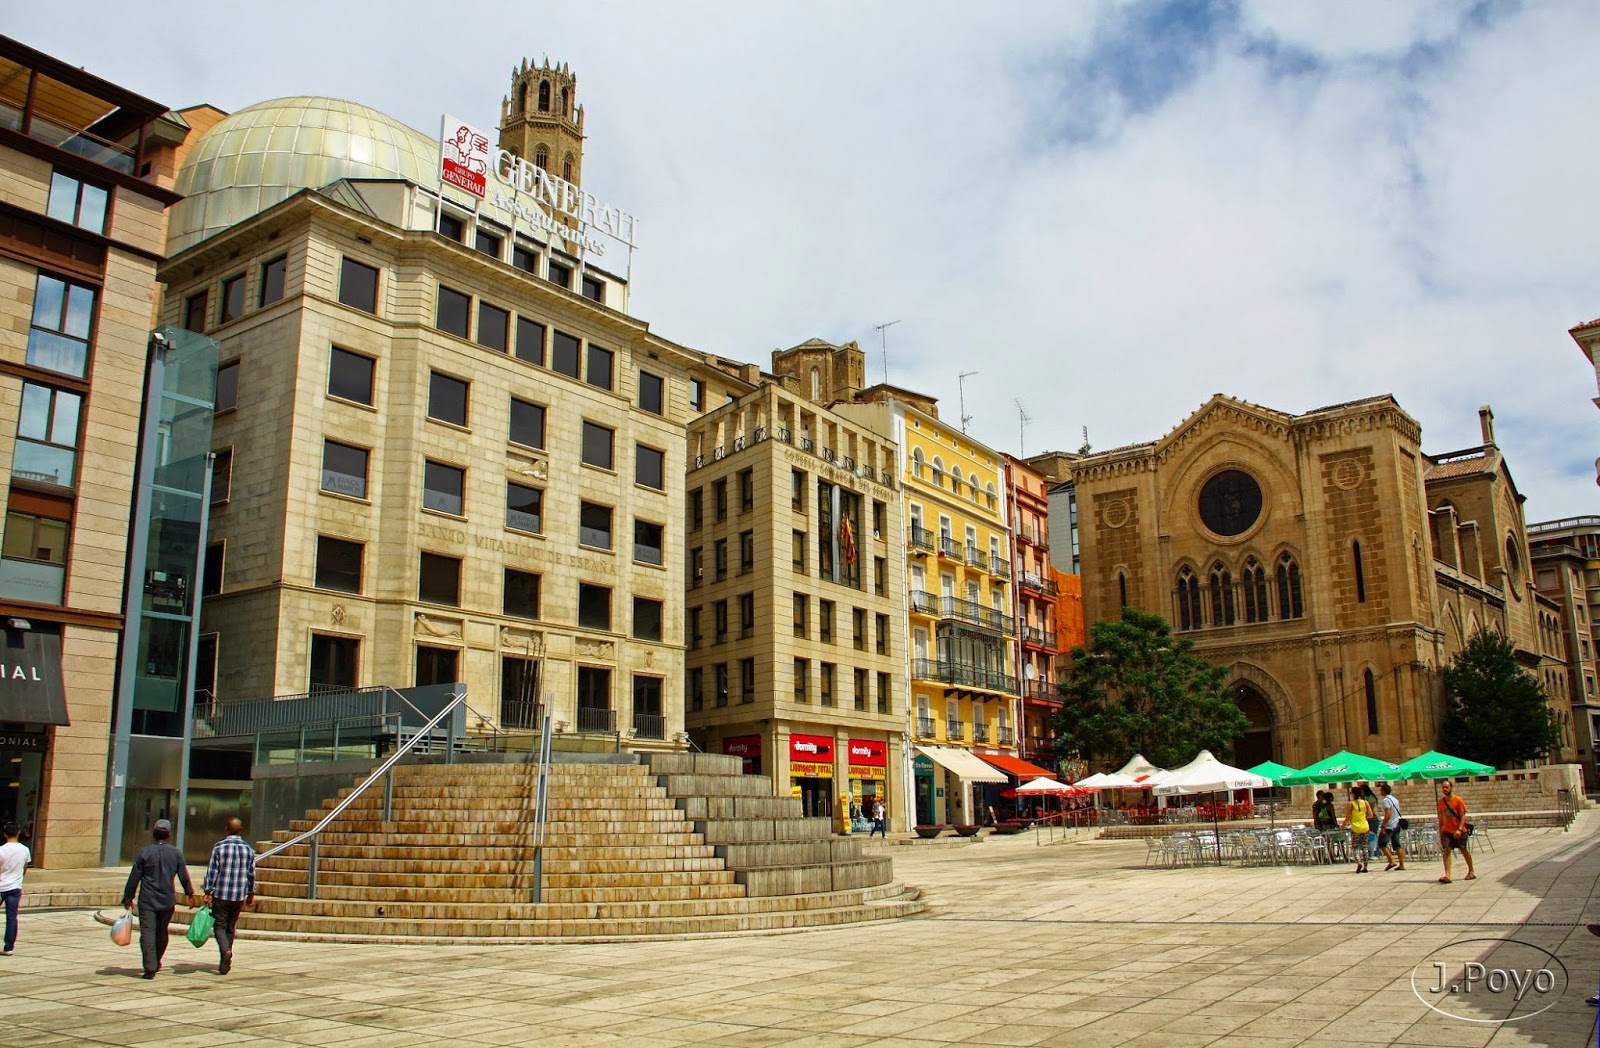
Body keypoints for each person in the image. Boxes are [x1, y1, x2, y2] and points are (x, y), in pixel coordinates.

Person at [122, 819, 195, 979]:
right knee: (162, 933)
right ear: (169, 835)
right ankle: (156, 960)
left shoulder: (145, 852)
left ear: (154, 834)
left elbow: (134, 877)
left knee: (148, 932)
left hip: (147, 900)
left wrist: (128, 897)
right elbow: (183, 875)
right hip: (167, 900)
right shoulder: (176, 853)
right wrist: (190, 893)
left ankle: (150, 967)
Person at [204, 817, 256, 975]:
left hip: (221, 893)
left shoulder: (219, 847)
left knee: (219, 925)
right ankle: (224, 961)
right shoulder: (248, 849)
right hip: (238, 895)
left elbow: (212, 871)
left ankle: (226, 951)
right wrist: (251, 892)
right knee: (230, 928)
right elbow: (251, 873)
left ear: (226, 828)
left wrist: (208, 891)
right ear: (240, 830)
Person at [1437, 778, 1476, 884]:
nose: (1445, 789)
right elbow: (1441, 818)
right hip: (1446, 831)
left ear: (1451, 788)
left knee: (1463, 850)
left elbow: (1463, 816)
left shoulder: (1458, 800)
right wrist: (1440, 832)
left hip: (1459, 830)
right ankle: (1447, 875)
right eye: (1443, 788)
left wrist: (1459, 829)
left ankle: (1471, 871)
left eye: (1446, 787)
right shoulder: (1441, 802)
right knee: (1446, 851)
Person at [1, 821, 31, 956]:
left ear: (4, 834)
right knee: (12, 918)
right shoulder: (25, 850)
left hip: (1, 886)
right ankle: (9, 947)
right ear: (18, 832)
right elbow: (24, 869)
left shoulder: (1, 850)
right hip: (15, 887)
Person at [1343, 785, 1373, 873]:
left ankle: (1359, 862)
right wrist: (1363, 817)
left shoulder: (1350, 804)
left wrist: (1344, 825)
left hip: (1355, 827)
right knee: (1364, 846)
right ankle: (1366, 866)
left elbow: (1348, 817)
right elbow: (1371, 815)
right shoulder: (1365, 803)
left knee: (1355, 847)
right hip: (1365, 826)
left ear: (1352, 794)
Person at [1377, 783, 1406, 871]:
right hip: (1397, 824)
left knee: (1381, 843)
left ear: (1383, 791)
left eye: (1381, 790)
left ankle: (1391, 861)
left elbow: (1388, 813)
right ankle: (1401, 864)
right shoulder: (1395, 799)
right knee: (1397, 845)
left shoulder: (1386, 800)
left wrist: (1383, 825)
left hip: (1390, 825)